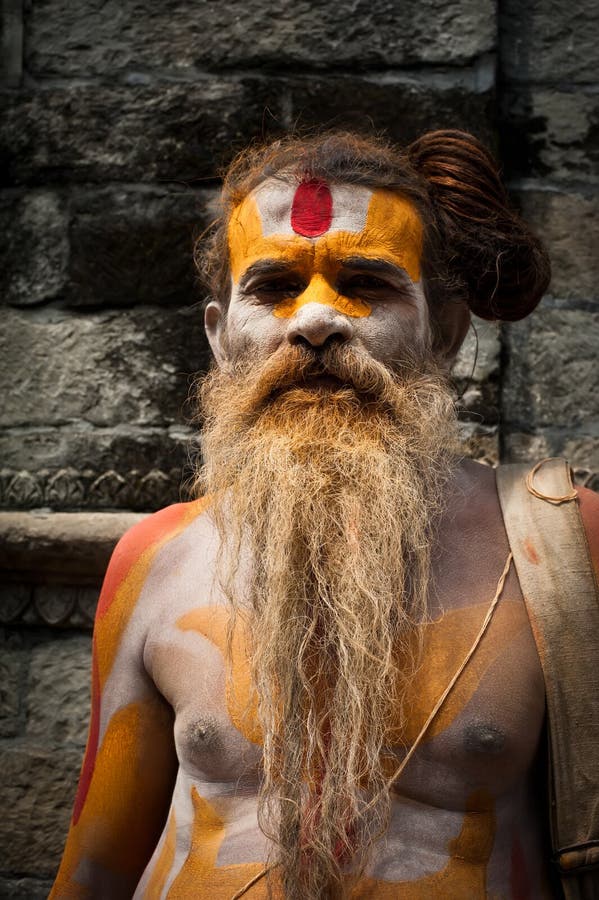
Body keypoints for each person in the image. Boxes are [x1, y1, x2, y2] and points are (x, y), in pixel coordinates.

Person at [50, 130, 599, 899]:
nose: (315, 320)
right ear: (218, 336)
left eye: (366, 283)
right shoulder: (154, 558)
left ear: (442, 332)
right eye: (273, 287)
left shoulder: (564, 539)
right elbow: (97, 867)